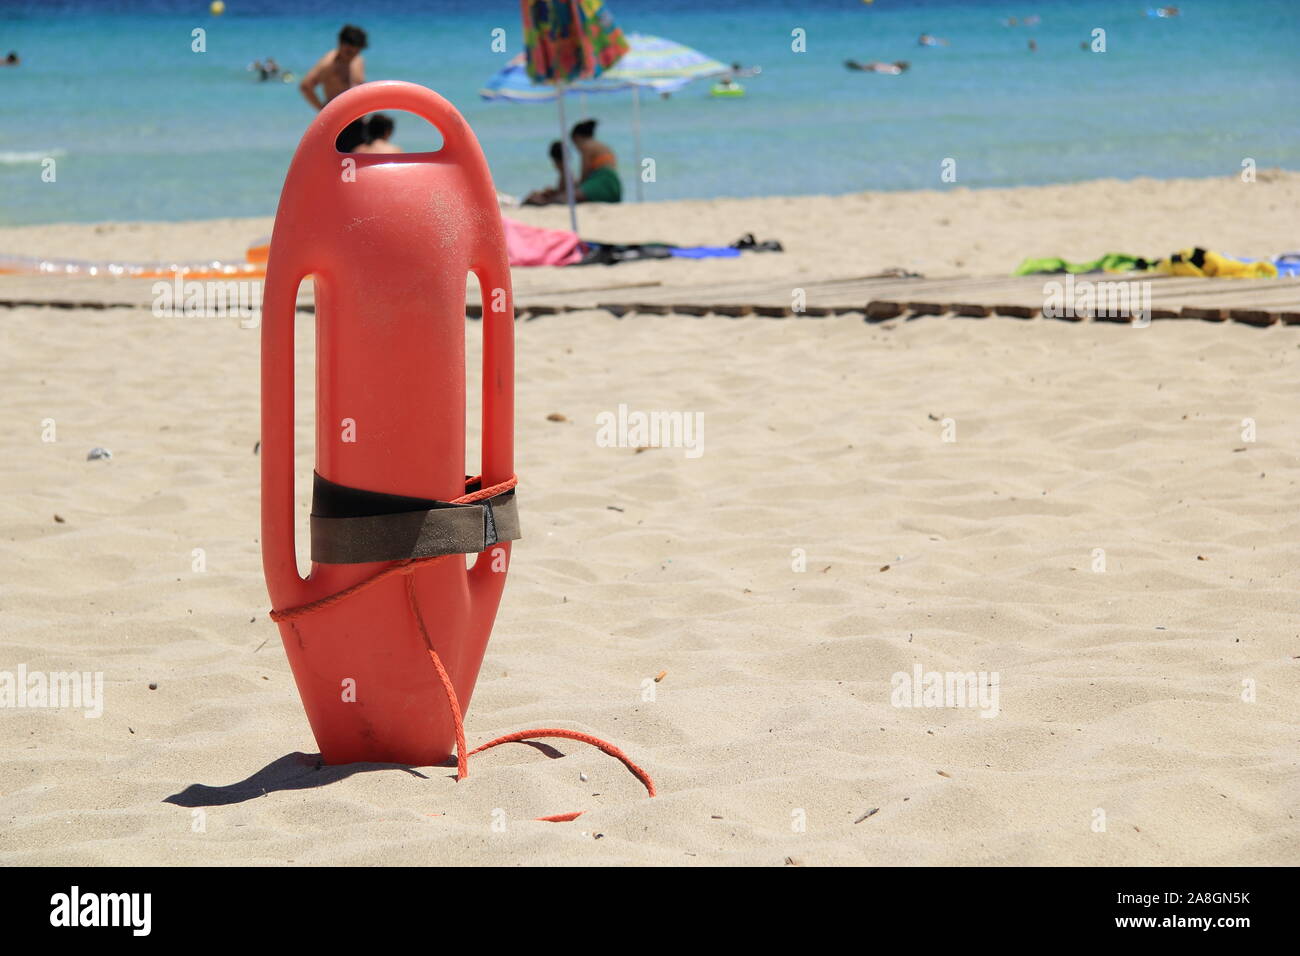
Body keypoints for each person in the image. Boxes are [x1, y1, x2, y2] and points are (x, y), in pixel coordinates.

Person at [300, 24, 368, 151]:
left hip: (358, 123)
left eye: (356, 51)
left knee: (362, 165)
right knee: (339, 167)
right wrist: (322, 111)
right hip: (338, 125)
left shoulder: (358, 60)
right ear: (341, 44)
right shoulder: (328, 64)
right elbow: (306, 86)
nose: (352, 56)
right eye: (349, 52)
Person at [570, 119, 621, 203]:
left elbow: (585, 175)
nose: (576, 148)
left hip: (601, 182)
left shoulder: (587, 147)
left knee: (568, 196)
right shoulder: (603, 146)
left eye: (575, 143)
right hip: (614, 186)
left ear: (577, 137)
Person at [523, 140, 570, 206]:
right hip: (557, 199)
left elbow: (563, 196)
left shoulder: (566, 174)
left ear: (556, 160)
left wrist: (550, 195)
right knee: (534, 194)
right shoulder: (566, 172)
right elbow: (562, 191)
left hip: (557, 201)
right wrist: (553, 191)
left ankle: (520, 206)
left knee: (532, 198)